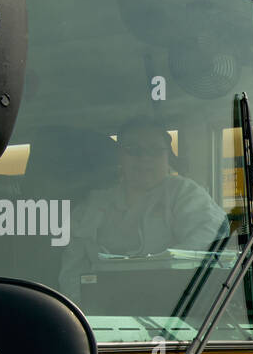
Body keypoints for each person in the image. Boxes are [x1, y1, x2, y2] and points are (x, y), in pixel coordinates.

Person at [61, 117, 228, 298]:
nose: (145, 158)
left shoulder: (185, 193)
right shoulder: (92, 205)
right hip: (101, 313)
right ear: (119, 156)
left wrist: (151, 278)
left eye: (155, 150)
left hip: (171, 308)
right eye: (134, 150)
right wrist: (81, 316)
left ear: (168, 156)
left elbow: (205, 246)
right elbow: (72, 271)